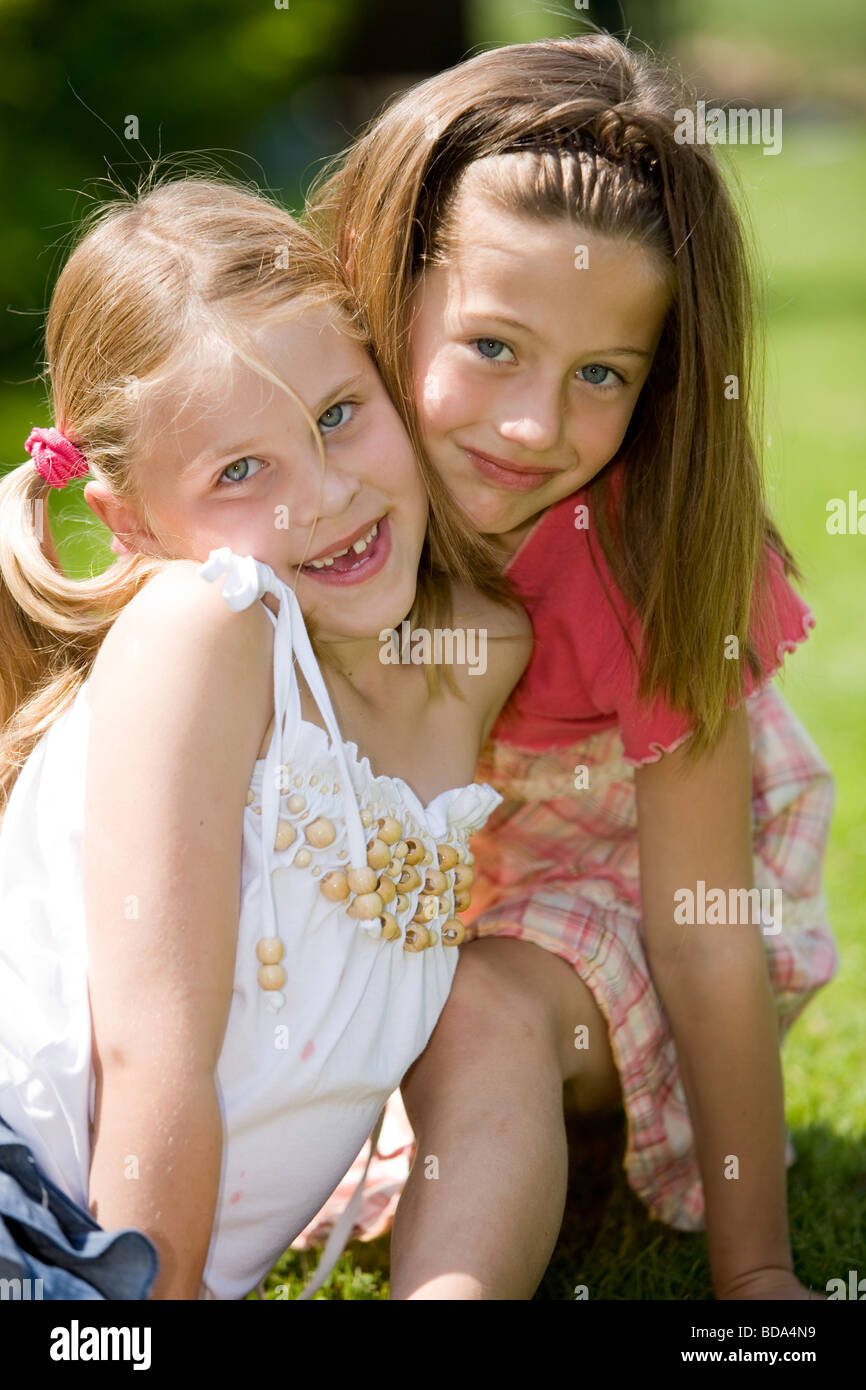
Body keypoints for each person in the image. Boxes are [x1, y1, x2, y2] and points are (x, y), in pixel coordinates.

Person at [302, 34, 838, 1300]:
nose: (535, 425)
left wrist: (754, 1273)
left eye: (600, 375)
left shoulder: (639, 564)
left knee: (478, 1005)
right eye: (492, 344)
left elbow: (702, 936)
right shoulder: (309, 497)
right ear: (385, 285)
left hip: (618, 921)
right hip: (401, 910)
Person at [0, 176, 530, 1300]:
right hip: (52, 1240)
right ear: (135, 524)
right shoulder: (207, 626)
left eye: (336, 414)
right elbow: (157, 1058)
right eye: (240, 473)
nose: (324, 495)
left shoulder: (480, 658)